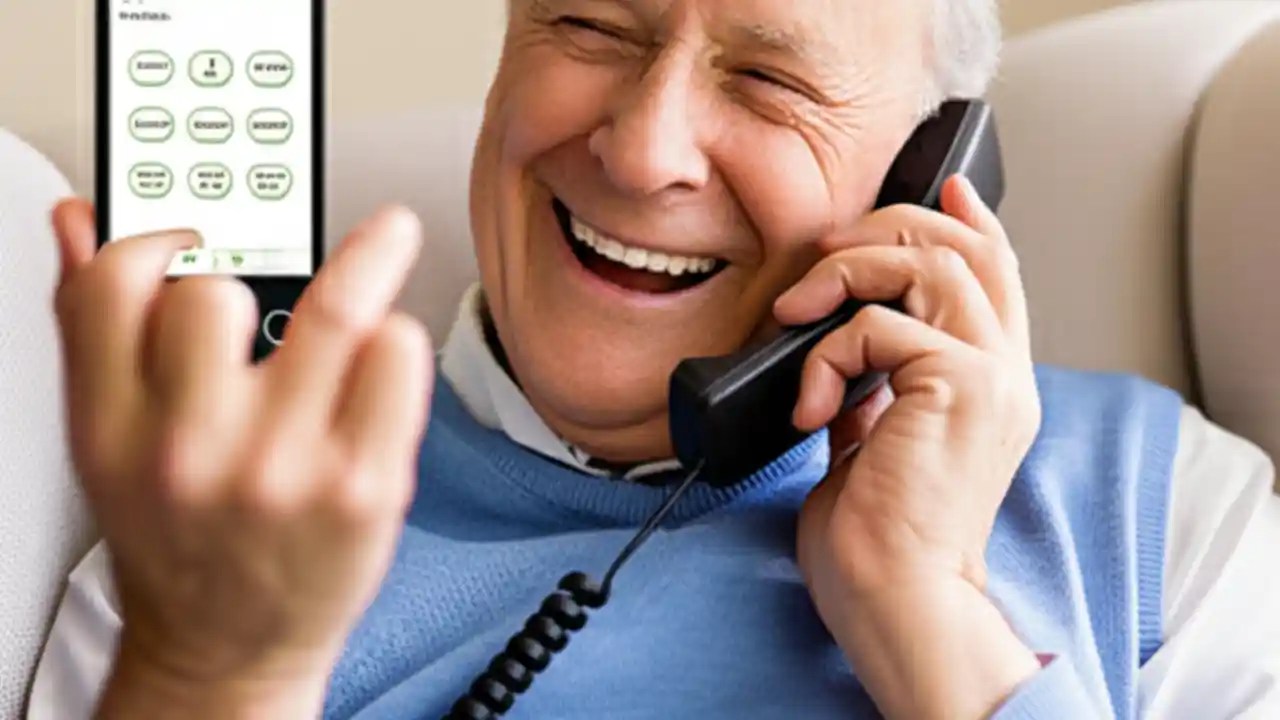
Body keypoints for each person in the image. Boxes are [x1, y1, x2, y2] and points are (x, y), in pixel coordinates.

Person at [27, 0, 1280, 718]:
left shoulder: (1163, 515)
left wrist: (924, 612)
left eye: (768, 79)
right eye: (590, 23)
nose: (639, 152)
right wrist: (218, 668)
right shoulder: (226, 529)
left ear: (932, 173)